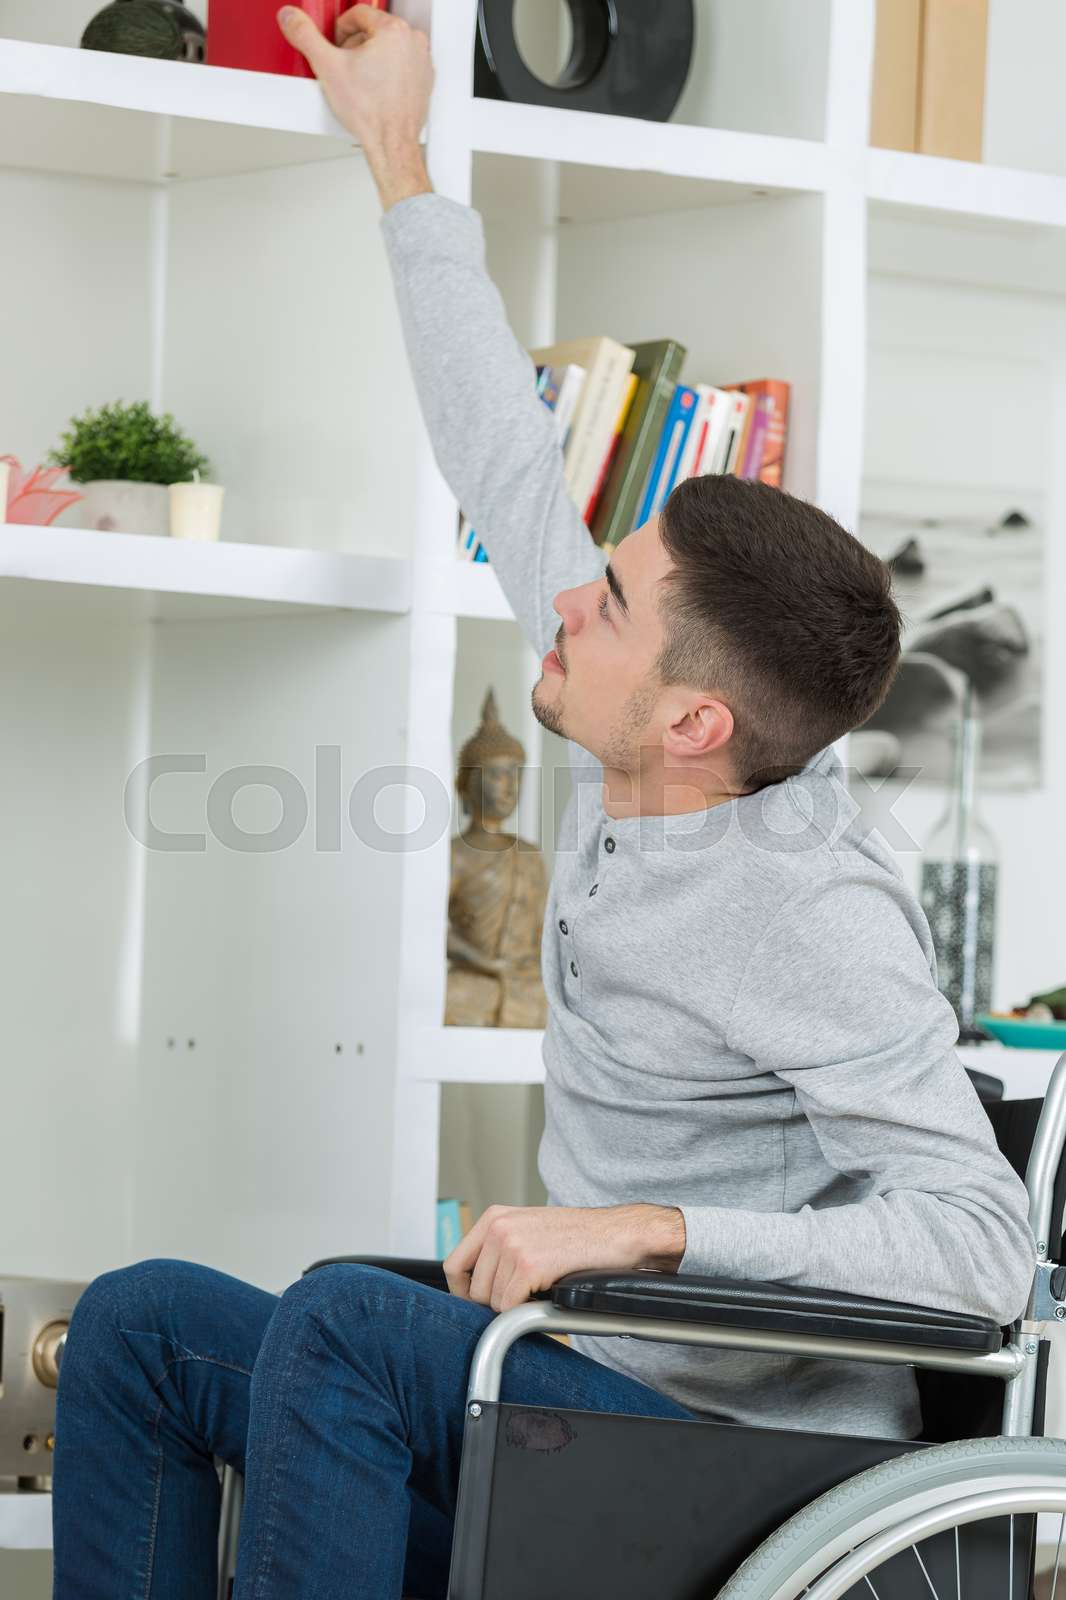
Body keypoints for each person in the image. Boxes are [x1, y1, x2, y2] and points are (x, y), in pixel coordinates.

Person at [52, 7, 1035, 1598]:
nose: (564, 602)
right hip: (583, 1388)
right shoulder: (634, 730)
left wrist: (641, 1229)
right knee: (143, 1323)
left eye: (609, 603)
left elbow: (978, 1247)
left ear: (695, 719)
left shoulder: (803, 899)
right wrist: (395, 144)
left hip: (736, 1458)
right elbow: (496, 441)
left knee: (355, 1328)